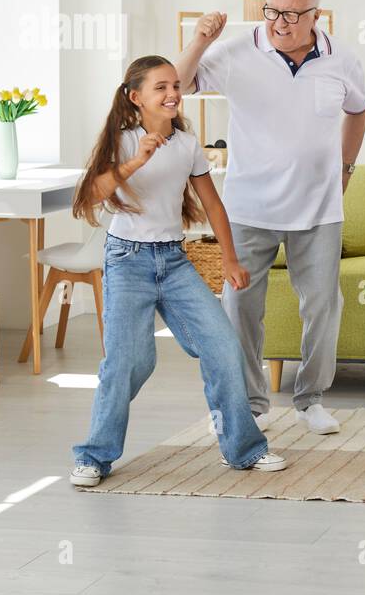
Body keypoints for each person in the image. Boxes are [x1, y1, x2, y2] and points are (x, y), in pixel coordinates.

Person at [70, 55, 286, 486]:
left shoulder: (188, 144)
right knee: (129, 362)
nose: (172, 94)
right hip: (127, 260)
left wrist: (229, 259)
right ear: (136, 98)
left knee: (224, 346)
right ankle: (94, 456)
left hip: (172, 260)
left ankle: (243, 449)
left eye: (175, 86)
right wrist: (136, 161)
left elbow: (213, 204)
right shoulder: (123, 141)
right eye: (160, 87)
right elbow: (90, 196)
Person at [176, 0, 365, 435]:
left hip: (319, 209)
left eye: (291, 13)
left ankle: (311, 399)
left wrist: (345, 168)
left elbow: (358, 110)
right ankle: (249, 403)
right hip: (248, 208)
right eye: (272, 11)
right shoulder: (237, 52)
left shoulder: (341, 58)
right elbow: (177, 87)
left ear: (315, 14)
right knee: (240, 308)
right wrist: (200, 41)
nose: (279, 22)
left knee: (322, 304)